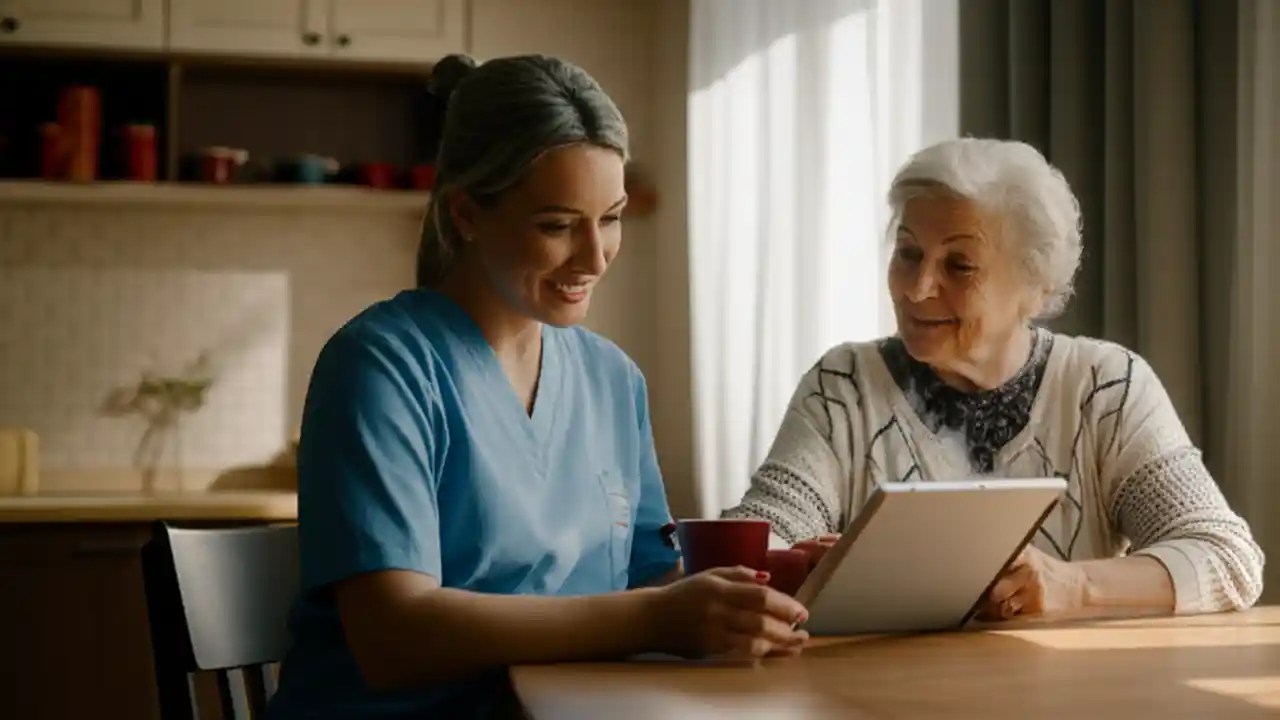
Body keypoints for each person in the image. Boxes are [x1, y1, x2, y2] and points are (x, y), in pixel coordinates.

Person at [267, 54, 808, 720]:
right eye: (557, 226)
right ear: (465, 211)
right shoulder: (381, 367)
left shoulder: (612, 379)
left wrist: (780, 585)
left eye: (610, 218)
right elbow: (393, 636)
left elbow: (649, 581)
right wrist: (654, 620)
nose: (595, 256)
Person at [724, 138, 1264, 621]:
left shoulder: (1106, 388)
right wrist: (801, 562)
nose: (916, 288)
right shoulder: (843, 387)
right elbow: (756, 540)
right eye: (909, 253)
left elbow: (1224, 556)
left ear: (1036, 287)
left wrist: (1069, 586)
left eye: (959, 266)